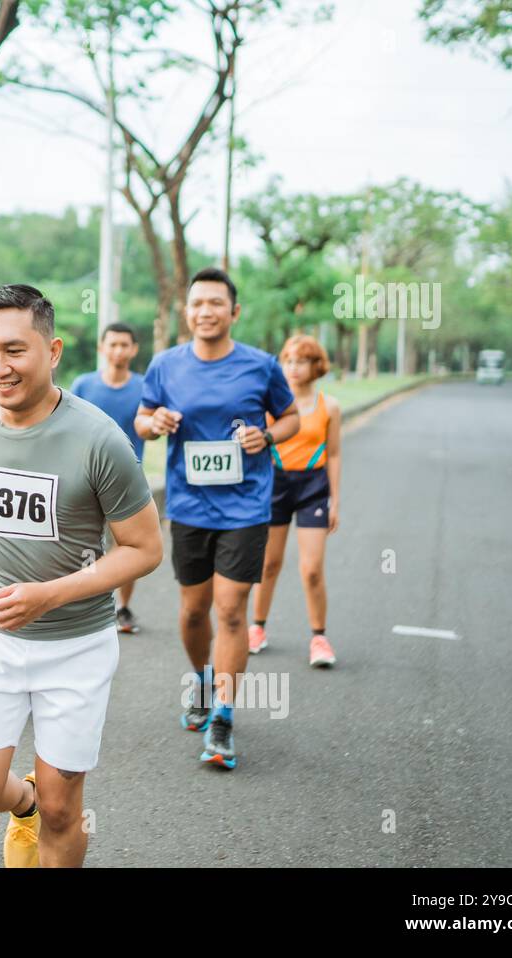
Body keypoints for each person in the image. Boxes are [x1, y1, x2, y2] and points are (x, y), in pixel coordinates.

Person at [0, 284, 163, 867]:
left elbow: (144, 549)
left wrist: (50, 595)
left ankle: (48, 813)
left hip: (76, 648)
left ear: (54, 349)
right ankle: (25, 804)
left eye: (14, 350)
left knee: (66, 812)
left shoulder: (99, 441)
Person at [134, 267, 299, 771]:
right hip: (188, 506)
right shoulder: (165, 365)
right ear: (187, 312)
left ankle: (223, 717)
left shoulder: (261, 365)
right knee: (192, 611)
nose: (206, 311)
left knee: (230, 611)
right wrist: (154, 423)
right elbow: (142, 418)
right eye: (197, 303)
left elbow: (292, 418)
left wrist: (267, 436)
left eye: (216, 303)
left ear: (234, 312)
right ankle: (203, 681)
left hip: (247, 505)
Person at [250, 334, 342, 667]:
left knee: (312, 569)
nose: (293, 367)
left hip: (313, 488)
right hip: (275, 484)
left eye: (301, 361)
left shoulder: (328, 406)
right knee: (268, 564)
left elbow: (333, 455)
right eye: (287, 360)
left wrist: (335, 500)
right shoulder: (271, 405)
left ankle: (319, 637)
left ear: (315, 365)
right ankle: (257, 627)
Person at [70, 322, 148, 634]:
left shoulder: (144, 387)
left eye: (124, 345)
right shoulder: (83, 385)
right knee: (84, 543)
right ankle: (84, 603)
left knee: (128, 545)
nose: (118, 351)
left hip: (128, 481)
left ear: (134, 350)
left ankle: (123, 607)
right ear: (102, 348)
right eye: (112, 344)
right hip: (83, 478)